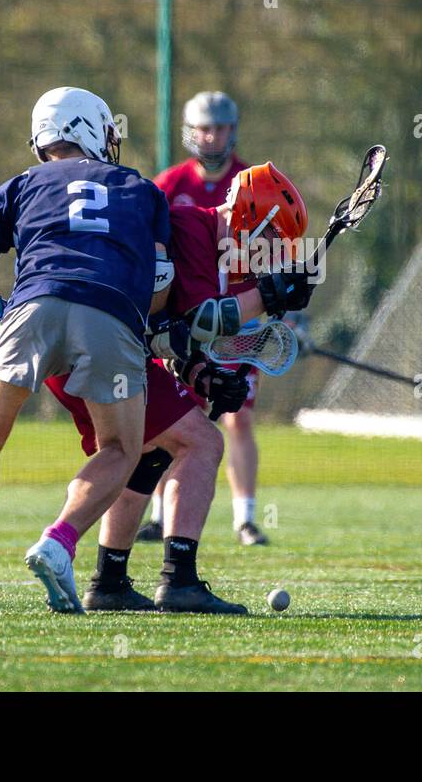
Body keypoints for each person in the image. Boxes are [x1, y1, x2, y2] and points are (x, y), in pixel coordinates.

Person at [0, 86, 172, 613]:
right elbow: (161, 283)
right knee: (121, 449)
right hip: (109, 314)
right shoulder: (140, 188)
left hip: (32, 304)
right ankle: (58, 542)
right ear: (94, 130)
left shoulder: (20, 185)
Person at [43, 161, 313, 610]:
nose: (274, 255)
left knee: (151, 454)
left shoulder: (213, 246)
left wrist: (202, 375)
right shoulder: (193, 228)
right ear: (250, 217)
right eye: (273, 239)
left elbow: (172, 335)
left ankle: (108, 582)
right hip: (93, 347)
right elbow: (203, 319)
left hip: (99, 347)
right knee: (202, 444)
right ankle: (178, 579)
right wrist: (269, 295)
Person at [148, 91, 271, 546]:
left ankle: (246, 517)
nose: (212, 136)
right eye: (204, 127)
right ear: (189, 131)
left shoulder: (251, 182)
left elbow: (279, 247)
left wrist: (282, 311)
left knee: (237, 416)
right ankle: (162, 515)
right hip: (185, 320)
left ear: (232, 130)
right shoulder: (169, 184)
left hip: (242, 320)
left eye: (219, 128)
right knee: (178, 416)